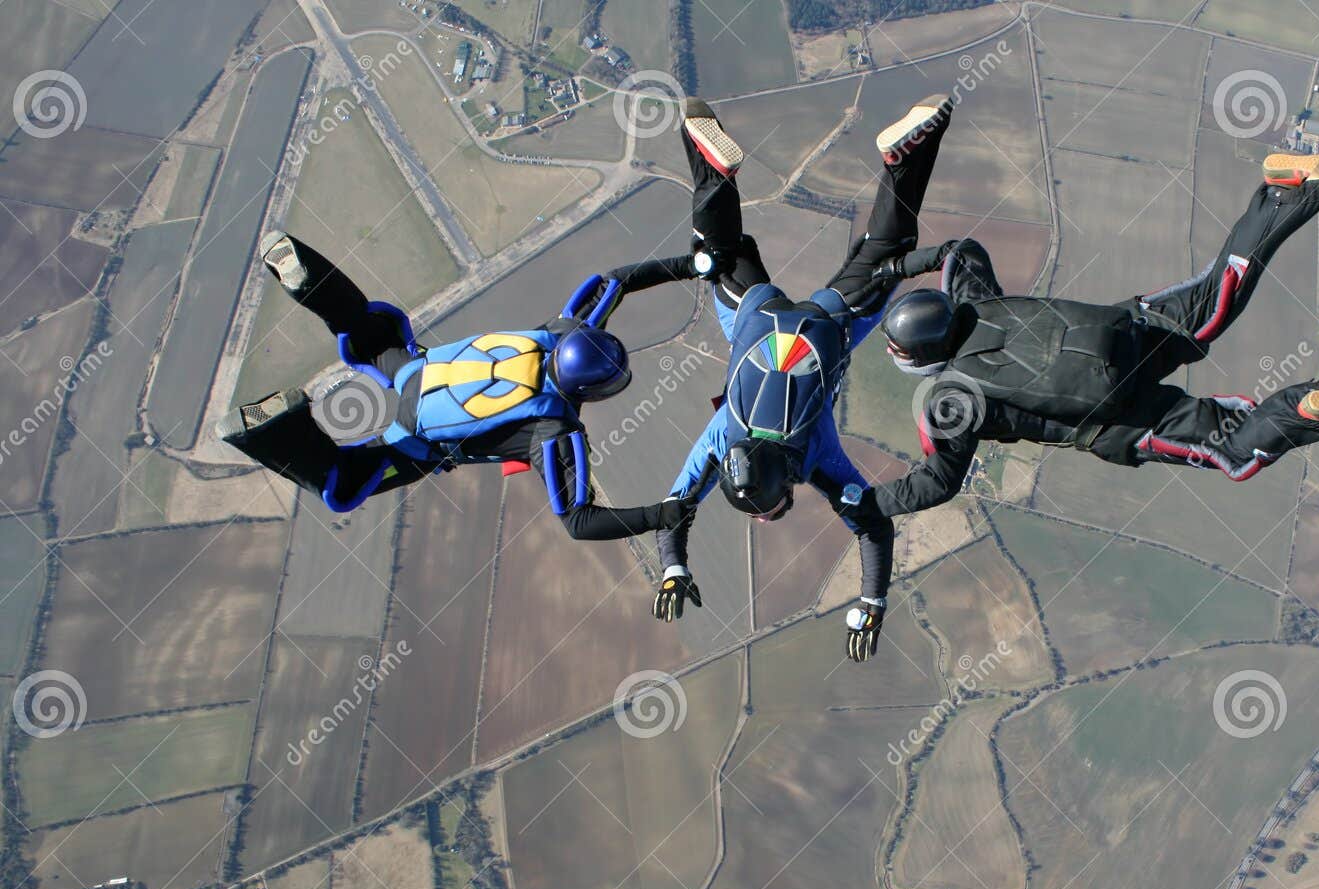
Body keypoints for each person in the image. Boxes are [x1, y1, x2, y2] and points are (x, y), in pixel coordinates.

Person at [605, 95, 954, 661]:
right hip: (756, 312)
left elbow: (872, 528)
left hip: (829, 322)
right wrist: (672, 566)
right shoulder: (723, 438)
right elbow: (674, 511)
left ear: (786, 488)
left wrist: (872, 603)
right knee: (716, 253)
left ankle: (904, 160)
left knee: (889, 249)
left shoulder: (814, 456)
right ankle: (712, 168)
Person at [859, 152, 1319, 519]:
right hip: (1130, 330)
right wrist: (896, 269)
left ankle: (1304, 408)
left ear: (921, 357)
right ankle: (1286, 193)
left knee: (1231, 447)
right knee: (1215, 293)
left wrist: (865, 504)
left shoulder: (951, 401)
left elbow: (936, 483)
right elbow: (960, 251)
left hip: (1119, 418)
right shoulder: (972, 302)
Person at [217, 232, 686, 540]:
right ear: (595, 392)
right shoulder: (553, 430)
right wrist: (663, 516)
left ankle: (311, 282)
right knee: (342, 484)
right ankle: (266, 431)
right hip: (413, 441)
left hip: (414, 371)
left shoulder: (561, 332)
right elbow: (578, 522)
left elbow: (614, 282)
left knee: (366, 329)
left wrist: (691, 265)